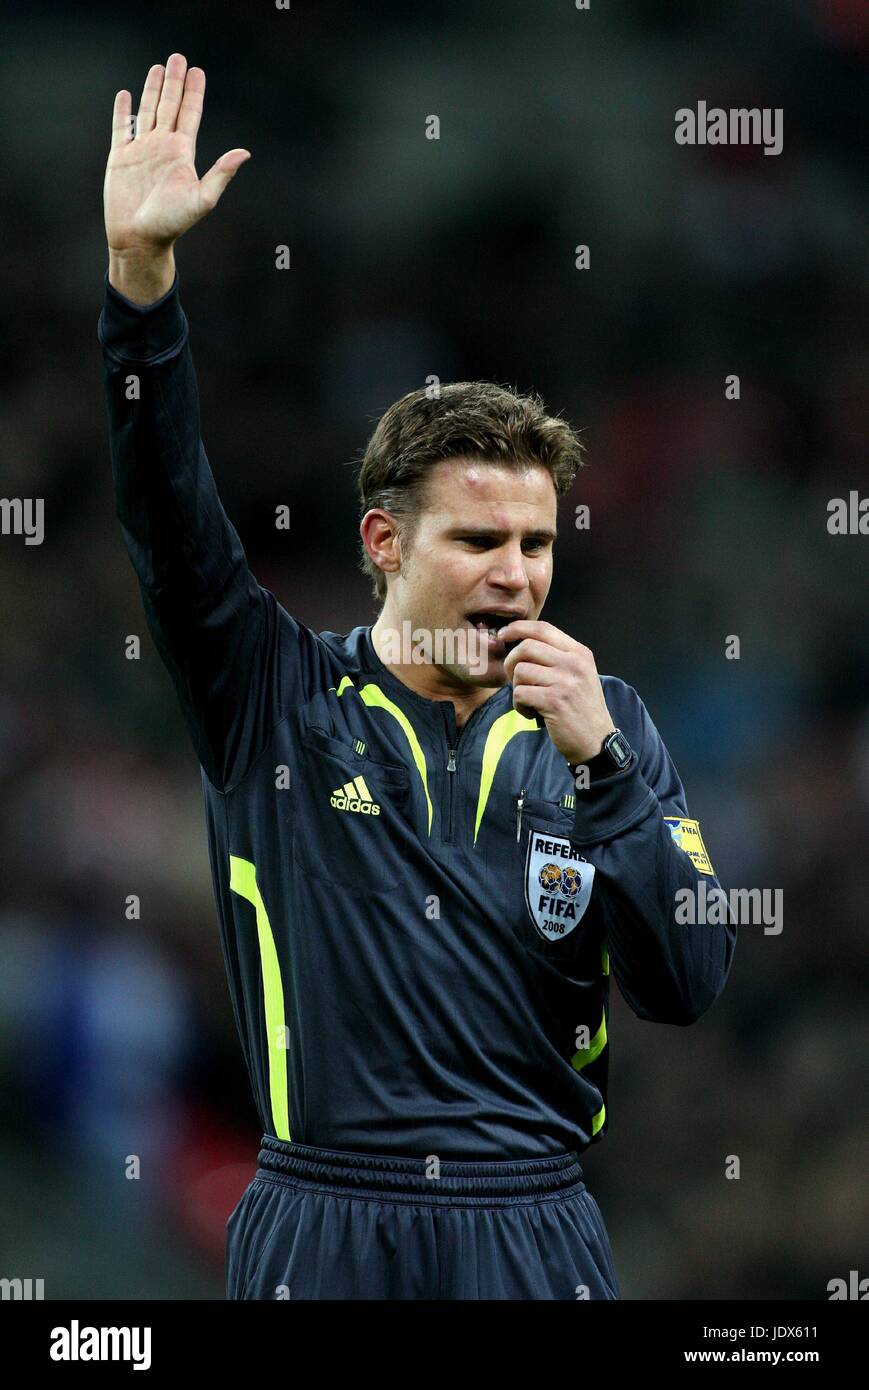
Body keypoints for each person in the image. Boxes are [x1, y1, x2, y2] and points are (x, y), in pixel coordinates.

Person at [99, 54, 737, 1300]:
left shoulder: (607, 729)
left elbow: (689, 980)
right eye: (479, 540)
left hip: (532, 1227)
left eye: (537, 544)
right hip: (321, 1220)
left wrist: (605, 768)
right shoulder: (269, 694)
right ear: (385, 542)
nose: (515, 573)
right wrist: (141, 291)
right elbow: (167, 516)